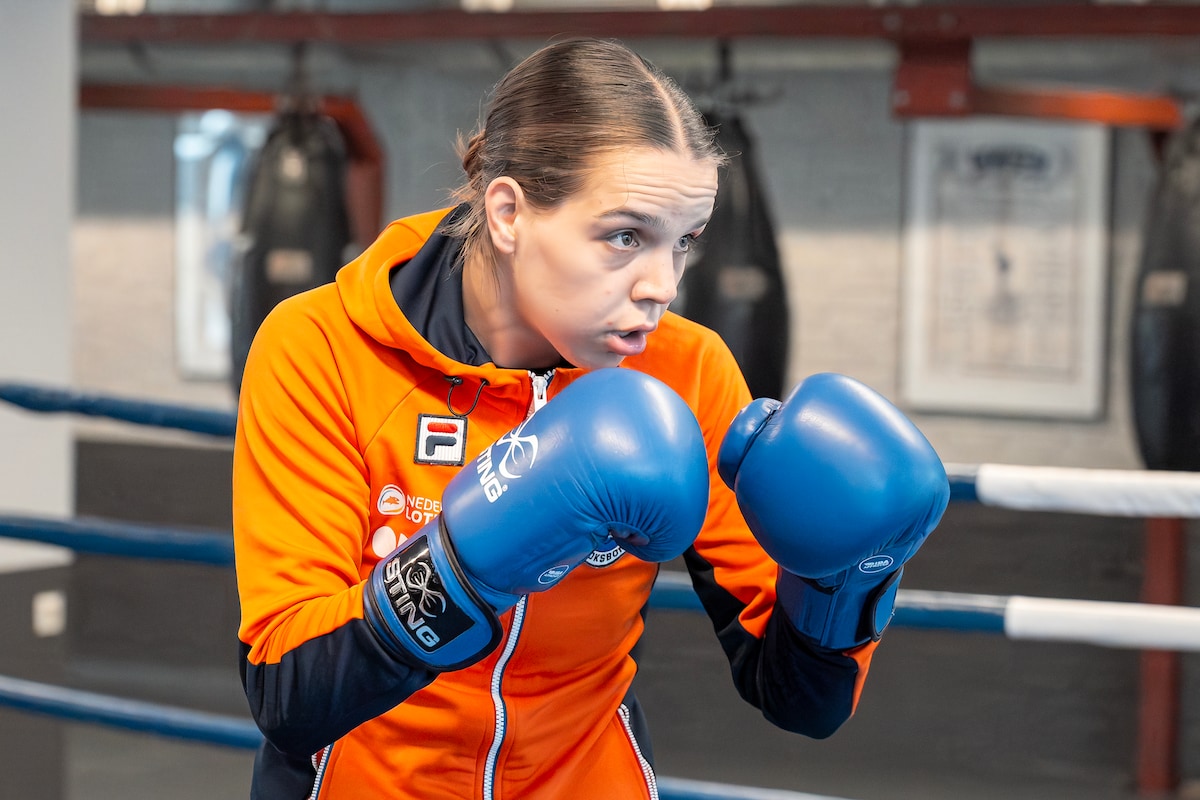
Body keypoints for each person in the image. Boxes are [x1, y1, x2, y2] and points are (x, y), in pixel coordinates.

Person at [233, 37, 950, 800]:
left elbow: (803, 704)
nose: (661, 286)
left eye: (685, 244)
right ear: (507, 213)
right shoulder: (322, 346)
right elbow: (290, 697)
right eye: (625, 236)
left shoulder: (686, 367)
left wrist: (841, 582)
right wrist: (466, 564)